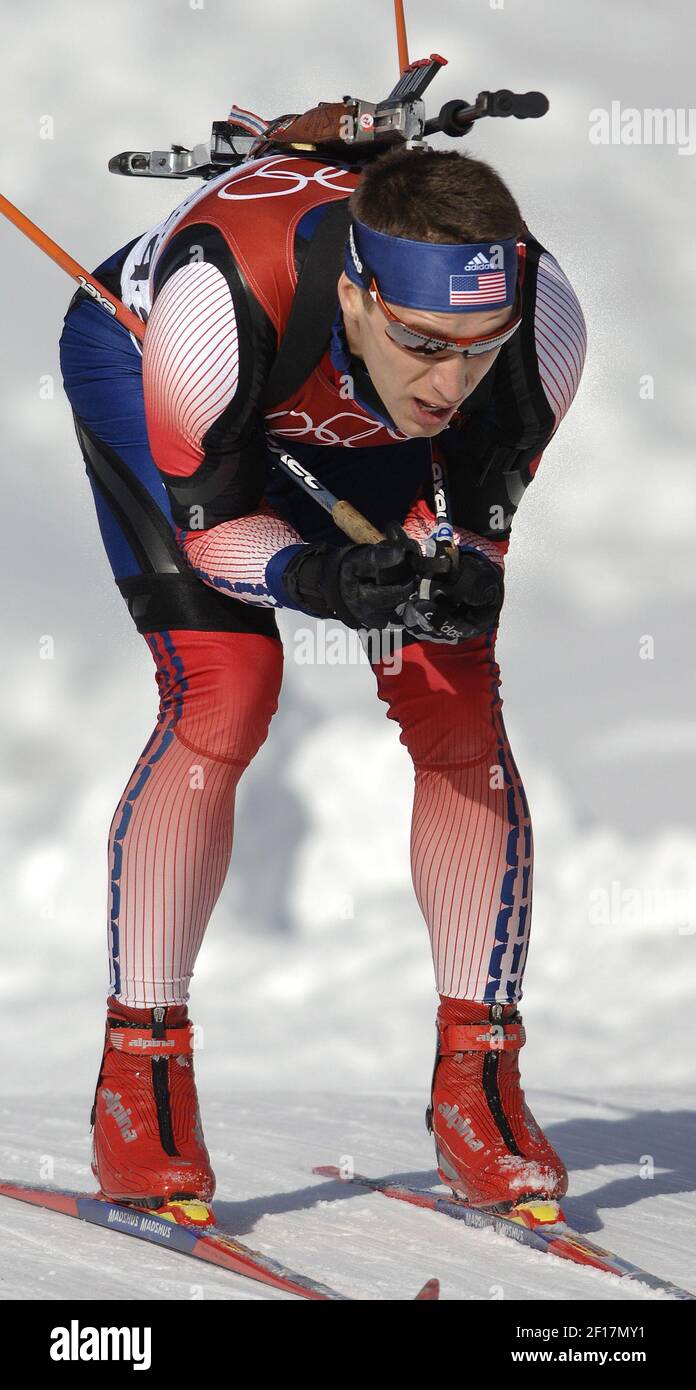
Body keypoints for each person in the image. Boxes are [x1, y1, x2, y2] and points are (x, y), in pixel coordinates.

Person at [58, 138, 586, 1214]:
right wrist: (320, 578)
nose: (453, 381)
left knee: (454, 698)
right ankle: (140, 1080)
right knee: (227, 686)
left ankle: (476, 1085)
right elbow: (218, 544)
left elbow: (474, 521)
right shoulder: (216, 312)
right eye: (426, 342)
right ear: (357, 291)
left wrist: (460, 578)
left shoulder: (543, 333)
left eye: (480, 349)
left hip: (357, 426)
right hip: (172, 373)